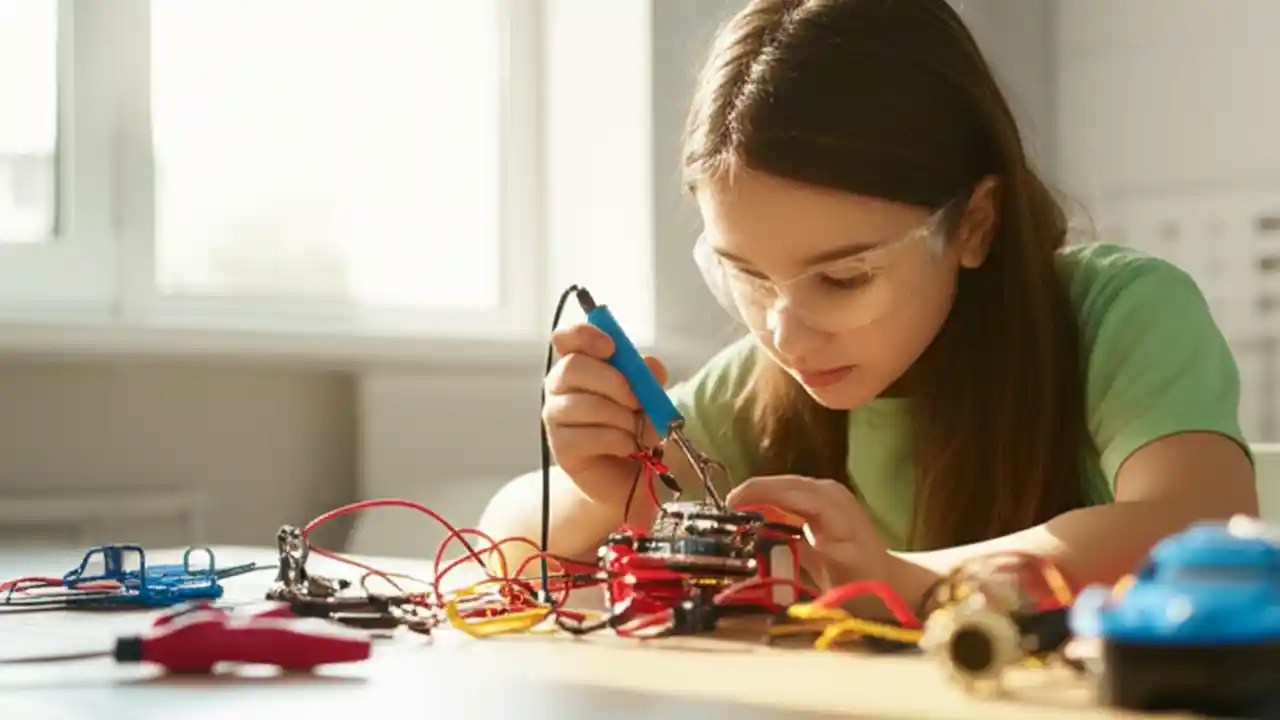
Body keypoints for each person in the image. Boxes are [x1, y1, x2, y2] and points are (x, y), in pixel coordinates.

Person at [478, 0, 1258, 604]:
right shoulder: (760, 386)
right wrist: (596, 488)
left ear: (975, 225)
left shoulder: (1117, 313)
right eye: (746, 276)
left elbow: (1197, 533)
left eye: (844, 277)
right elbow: (502, 541)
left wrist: (903, 581)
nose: (785, 332)